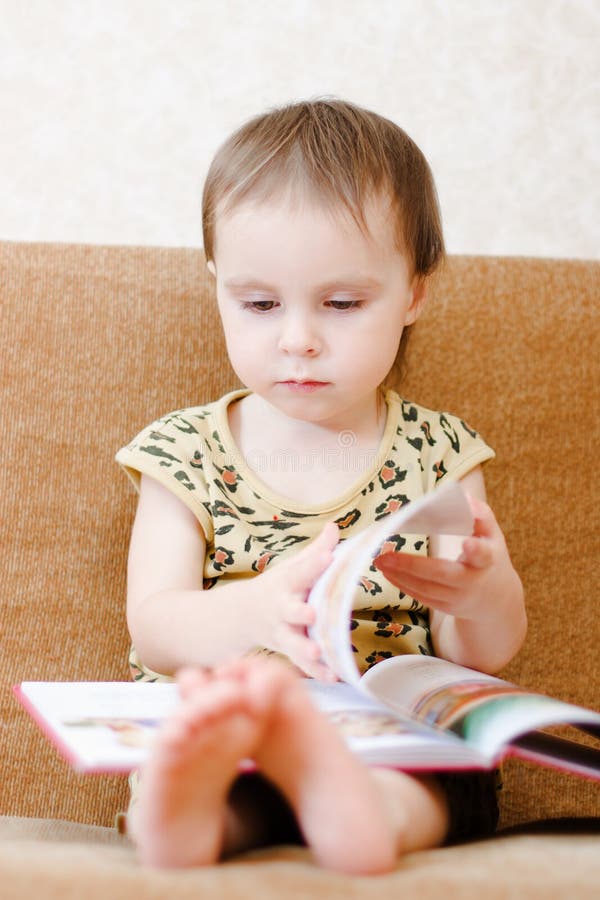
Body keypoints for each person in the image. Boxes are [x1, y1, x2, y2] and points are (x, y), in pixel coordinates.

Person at [115, 98, 526, 873]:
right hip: (233, 728)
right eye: (260, 303)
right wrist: (256, 610)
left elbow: (478, 655)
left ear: (414, 294)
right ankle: (189, 814)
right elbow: (155, 630)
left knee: (434, 783)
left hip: (383, 735)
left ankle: (357, 805)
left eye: (341, 304)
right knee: (210, 763)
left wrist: (482, 597)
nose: (297, 337)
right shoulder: (184, 452)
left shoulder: (438, 454)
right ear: (218, 287)